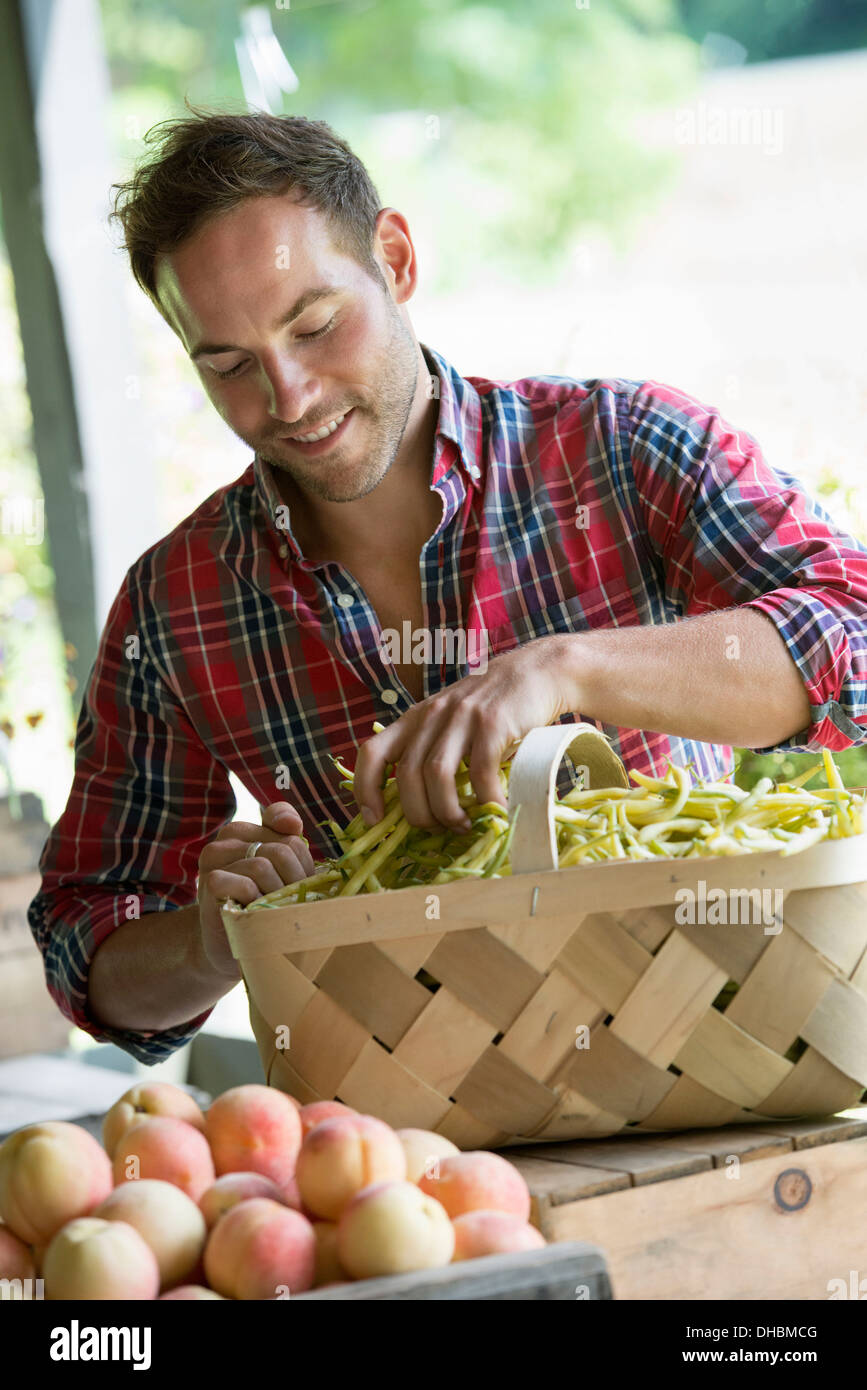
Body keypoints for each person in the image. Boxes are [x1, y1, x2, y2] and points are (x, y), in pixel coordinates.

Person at [27, 110, 867, 1066]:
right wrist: (213, 941)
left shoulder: (626, 447)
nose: (290, 396)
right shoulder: (173, 606)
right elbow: (85, 944)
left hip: (706, 1061)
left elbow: (853, 634)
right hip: (405, 1135)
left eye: (315, 324)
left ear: (393, 259)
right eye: (227, 364)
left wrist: (568, 670)